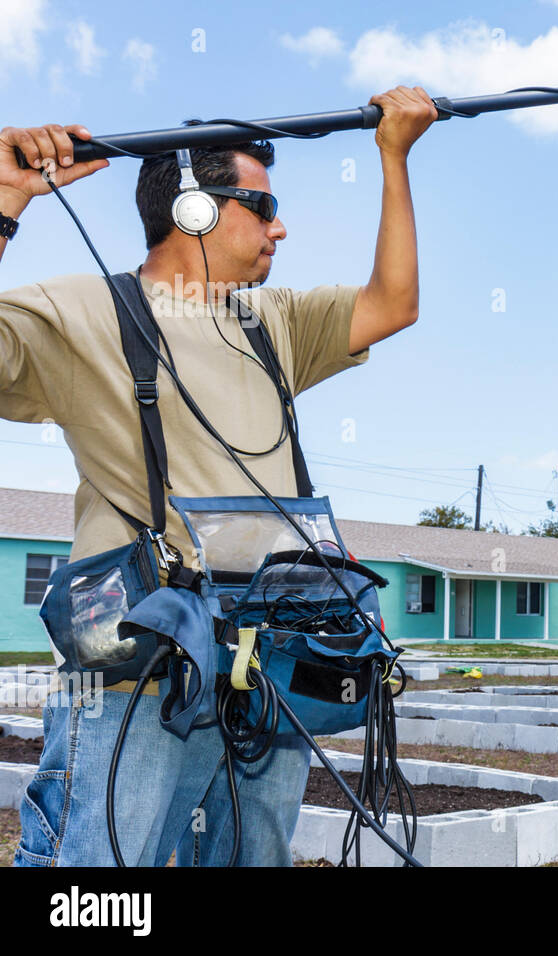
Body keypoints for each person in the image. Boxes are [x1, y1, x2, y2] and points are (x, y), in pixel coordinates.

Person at [0, 85, 438, 866]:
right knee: (102, 877)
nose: (280, 227)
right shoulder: (79, 312)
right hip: (142, 671)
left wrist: (393, 157)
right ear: (194, 207)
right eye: (260, 205)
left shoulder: (272, 321)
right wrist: (6, 200)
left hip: (268, 663)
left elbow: (393, 303)